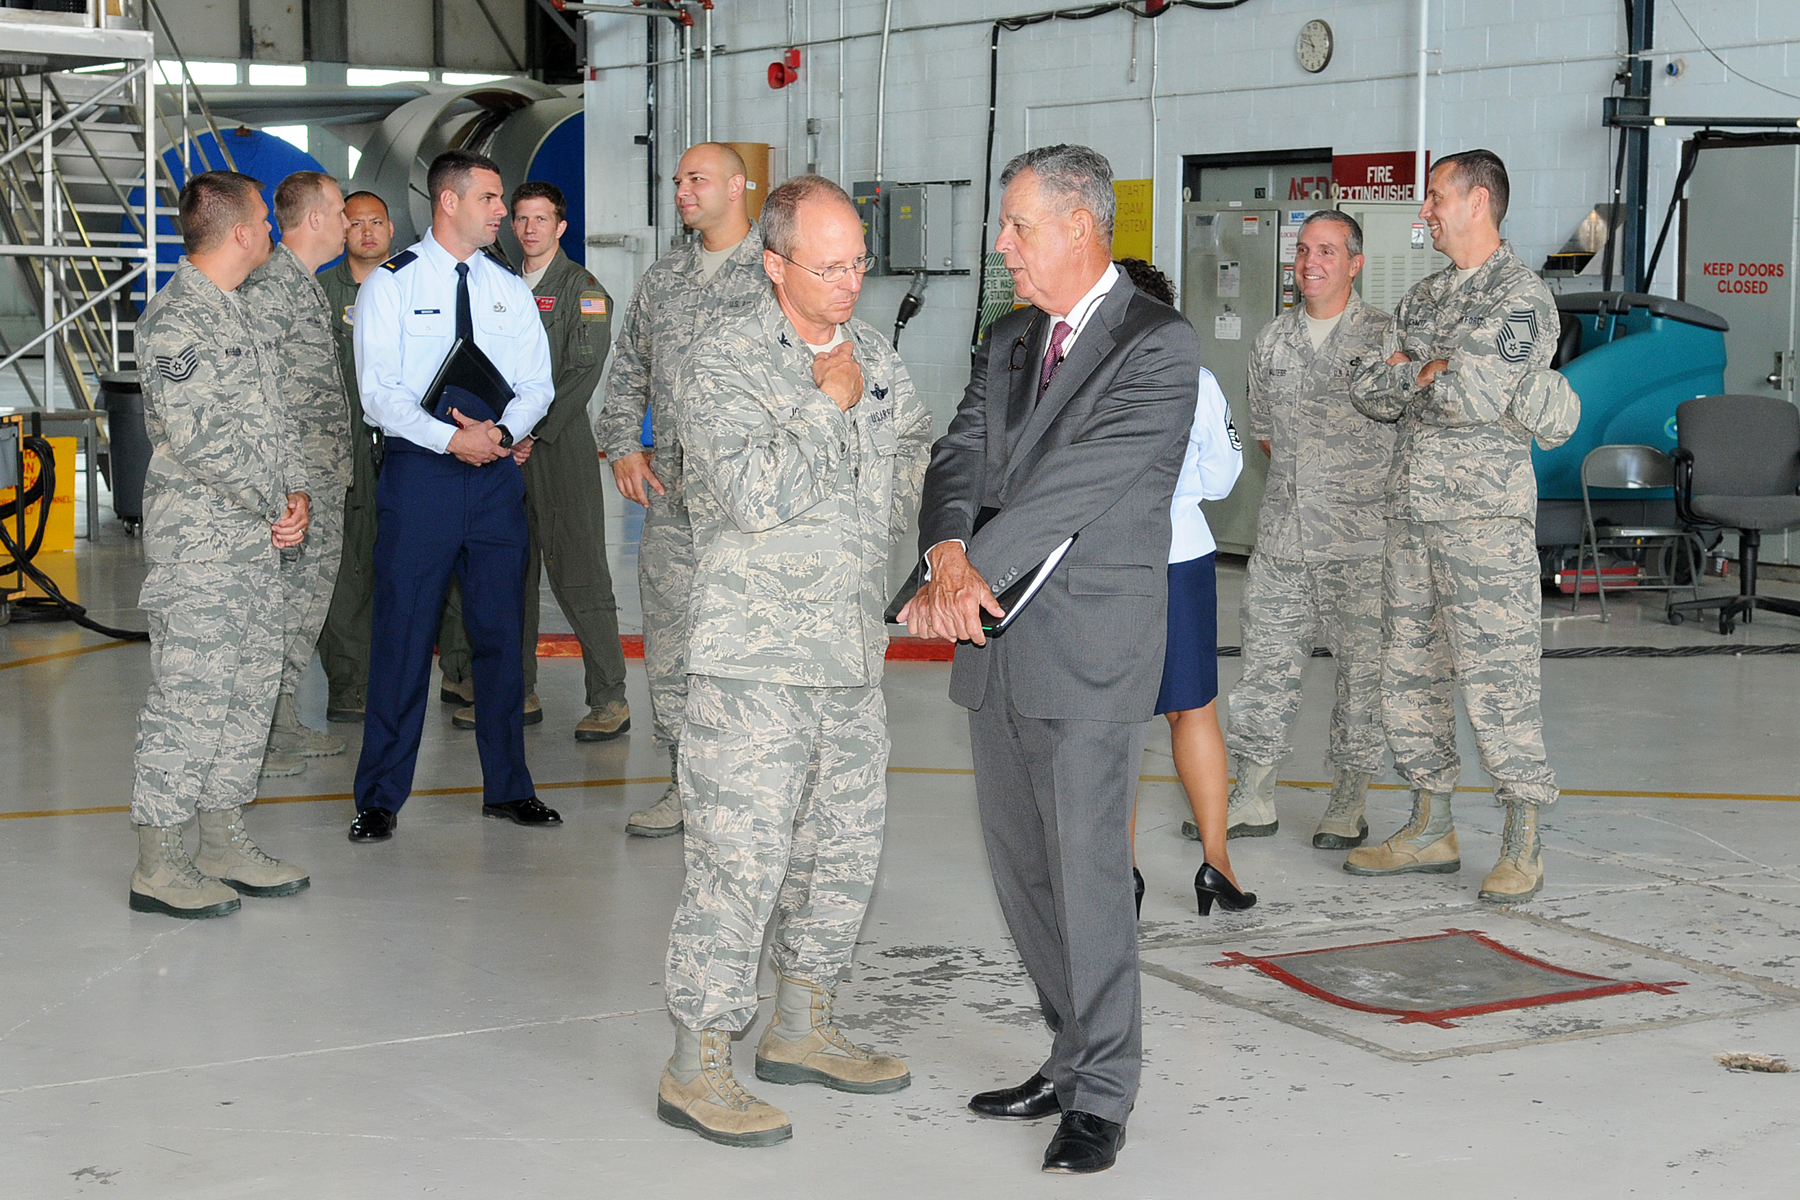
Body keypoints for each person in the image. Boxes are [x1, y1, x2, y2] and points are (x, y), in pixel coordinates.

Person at [900, 145, 1202, 1175]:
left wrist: (964, 572)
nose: (1002, 246)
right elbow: (959, 452)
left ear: (1080, 226)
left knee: (1086, 878)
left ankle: (1105, 1091)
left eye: (1018, 227)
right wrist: (946, 552)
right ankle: (1068, 1056)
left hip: (1088, 651)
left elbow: (1076, 481)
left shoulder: (1159, 347)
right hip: (997, 645)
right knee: (1025, 877)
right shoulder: (1009, 339)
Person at [656, 175, 930, 1149]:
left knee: (840, 857)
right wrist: (827, 405)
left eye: (860, 260)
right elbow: (749, 494)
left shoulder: (885, 361)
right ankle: (698, 1064)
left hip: (850, 658)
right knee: (739, 866)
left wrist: (878, 534)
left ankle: (803, 1028)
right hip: (754, 669)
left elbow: (911, 463)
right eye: (830, 264)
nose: (852, 279)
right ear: (776, 266)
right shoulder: (723, 360)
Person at [1348, 150, 1579, 903]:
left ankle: (1523, 840)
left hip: (1483, 524)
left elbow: (1472, 395)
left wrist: (1427, 373)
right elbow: (1373, 390)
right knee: (1409, 673)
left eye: (1437, 197)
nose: (1425, 211)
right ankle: (1430, 826)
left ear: (1479, 201)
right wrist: (1426, 372)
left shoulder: (1521, 299)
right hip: (1411, 513)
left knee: (1499, 680)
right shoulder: (1422, 299)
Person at [345, 149, 559, 844]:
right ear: (449, 202)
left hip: (494, 478)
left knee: (502, 637)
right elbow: (379, 395)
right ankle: (380, 797)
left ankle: (509, 787)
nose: (504, 212)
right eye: (492, 199)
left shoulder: (507, 285)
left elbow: (538, 385)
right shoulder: (392, 284)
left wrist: (498, 432)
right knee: (404, 637)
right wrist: (448, 441)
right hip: (422, 478)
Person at [127, 171, 311, 918]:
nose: (270, 230)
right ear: (239, 231)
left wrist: (295, 495)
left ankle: (223, 838)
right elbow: (204, 440)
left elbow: (277, 421)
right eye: (265, 219)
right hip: (200, 549)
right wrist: (275, 502)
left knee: (246, 693)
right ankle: (159, 862)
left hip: (255, 544)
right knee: (191, 699)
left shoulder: (238, 315)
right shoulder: (179, 321)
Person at [594, 142, 769, 838]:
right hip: (671, 504)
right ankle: (683, 787)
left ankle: (752, 792)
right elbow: (627, 368)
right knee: (670, 650)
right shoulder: (663, 281)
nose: (683, 192)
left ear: (738, 186)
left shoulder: (777, 278)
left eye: (697, 179)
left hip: (752, 508)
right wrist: (621, 445)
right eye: (677, 182)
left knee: (750, 650)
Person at [1211, 210, 1396, 850]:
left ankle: (1349, 799)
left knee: (1363, 675)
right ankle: (1253, 793)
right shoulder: (1271, 341)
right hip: (1285, 539)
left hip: (1363, 542)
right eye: (1302, 251)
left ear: (1355, 262)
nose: (1309, 262)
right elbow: (1264, 434)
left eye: (1325, 251)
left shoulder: (1384, 337)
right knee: (1264, 667)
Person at [436, 180, 631, 741]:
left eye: (541, 219)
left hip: (557, 448)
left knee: (580, 576)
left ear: (560, 226)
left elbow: (580, 375)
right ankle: (514, 691)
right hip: (498, 449)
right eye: (520, 218)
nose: (528, 228)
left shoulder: (584, 291)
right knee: (506, 577)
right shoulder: (496, 284)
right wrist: (495, 432)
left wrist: (527, 430)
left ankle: (609, 698)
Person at [1111, 258, 1252, 921]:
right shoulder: (1195, 382)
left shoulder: (1082, 379)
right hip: (1181, 558)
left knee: (1115, 723)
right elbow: (1221, 481)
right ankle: (1216, 863)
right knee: (1191, 712)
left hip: (1105, 566)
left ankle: (1120, 872)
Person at [240, 171, 352, 775]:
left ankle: (281, 720)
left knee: (304, 608)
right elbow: (260, 396)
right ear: (313, 219)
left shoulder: (306, 286)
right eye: (338, 212)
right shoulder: (270, 290)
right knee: (280, 607)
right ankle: (260, 735)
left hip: (322, 480)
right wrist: (286, 484)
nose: (347, 223)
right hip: (294, 486)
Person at [316, 190, 393, 724]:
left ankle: (458, 675)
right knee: (348, 566)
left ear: (391, 228)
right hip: (346, 451)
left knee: (433, 561)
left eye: (377, 222)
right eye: (356, 223)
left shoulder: (417, 283)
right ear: (342, 230)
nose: (367, 232)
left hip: (414, 445)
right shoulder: (320, 293)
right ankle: (350, 685)